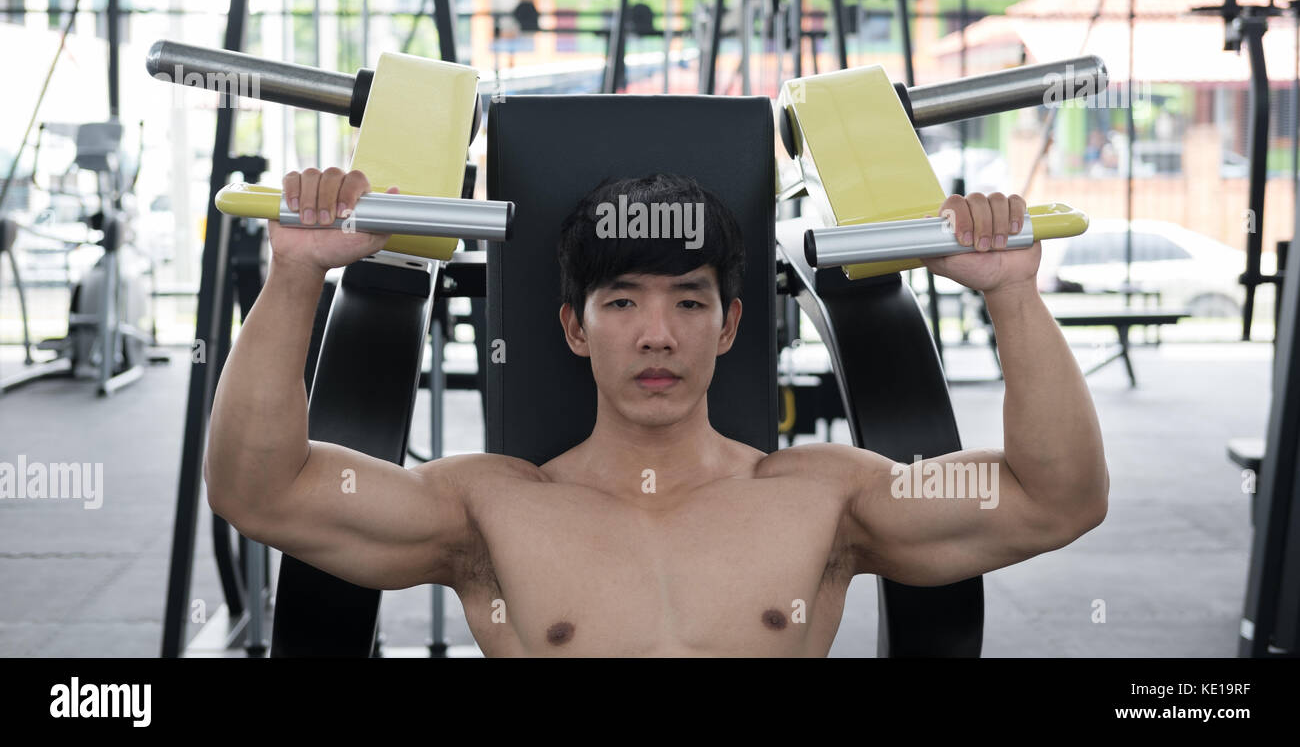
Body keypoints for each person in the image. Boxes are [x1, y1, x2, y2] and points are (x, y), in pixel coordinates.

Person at [206, 167, 1108, 656]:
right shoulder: (488, 510)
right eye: (623, 302)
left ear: (728, 328)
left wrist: (1011, 296)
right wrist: (296, 275)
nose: (657, 336)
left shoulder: (824, 498)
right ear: (574, 327)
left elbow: (1054, 498)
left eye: (688, 300)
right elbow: (260, 489)